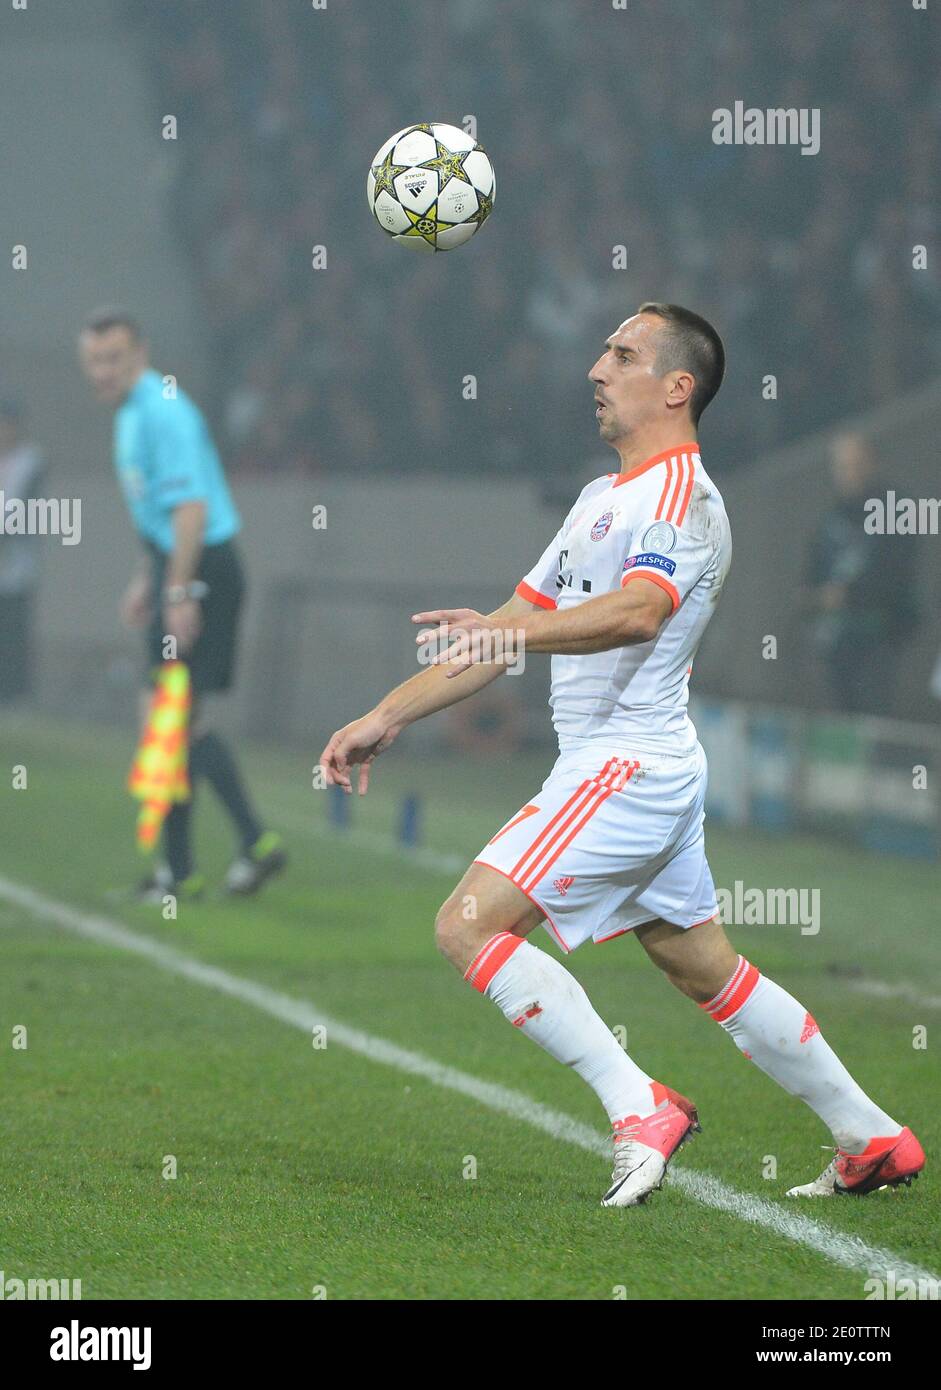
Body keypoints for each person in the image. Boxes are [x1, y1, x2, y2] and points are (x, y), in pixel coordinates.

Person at [320, 303, 924, 1206]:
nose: (596, 369)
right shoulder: (600, 499)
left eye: (622, 354)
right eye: (603, 350)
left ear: (677, 388)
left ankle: (638, 1103)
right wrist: (386, 712)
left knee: (466, 925)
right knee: (699, 965)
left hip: (623, 768)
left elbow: (638, 612)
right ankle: (871, 1135)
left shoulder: (685, 499)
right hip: (641, 768)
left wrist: (512, 636)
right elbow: (512, 625)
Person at [78, 308, 285, 902]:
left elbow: (192, 509)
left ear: (140, 354)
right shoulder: (134, 411)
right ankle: (236, 852)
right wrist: (151, 575)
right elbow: (166, 515)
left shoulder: (159, 412)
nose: (104, 370)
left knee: (170, 726)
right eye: (94, 360)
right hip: (187, 569)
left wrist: (177, 590)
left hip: (205, 575)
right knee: (174, 725)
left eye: (114, 357)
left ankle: (191, 869)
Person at [804, 432, 919, 715]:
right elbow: (811, 576)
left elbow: (898, 575)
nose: (848, 474)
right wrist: (816, 596)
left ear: (872, 463)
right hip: (835, 641)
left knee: (875, 719)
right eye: (842, 466)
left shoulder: (896, 511)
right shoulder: (830, 518)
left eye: (856, 464)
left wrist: (850, 595)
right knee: (839, 719)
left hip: (882, 639)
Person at [0, 400, 44, 704]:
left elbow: (25, 510)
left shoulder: (30, 462)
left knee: (11, 628)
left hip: (14, 561)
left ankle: (12, 694)